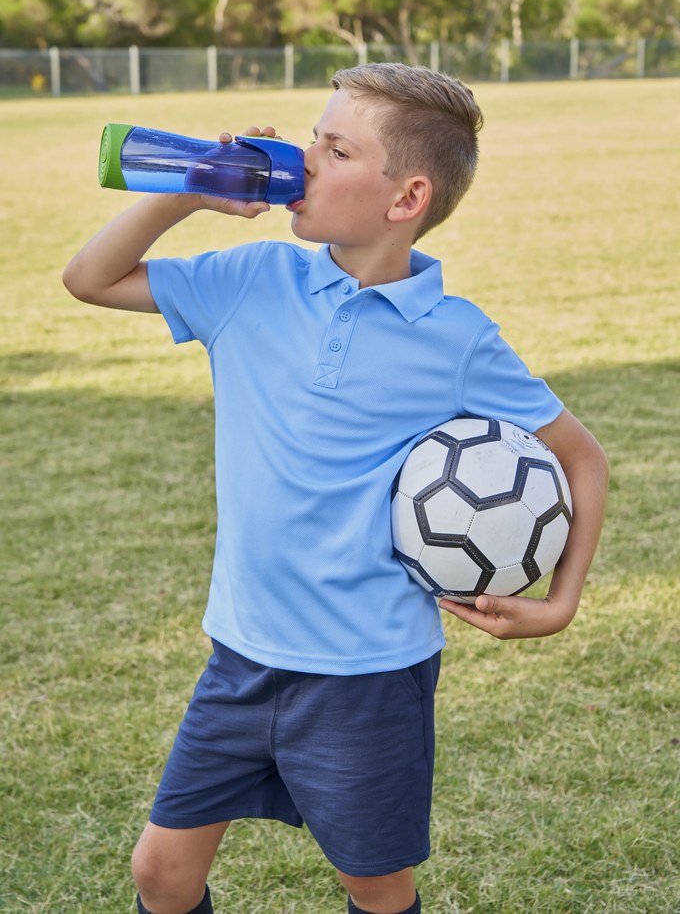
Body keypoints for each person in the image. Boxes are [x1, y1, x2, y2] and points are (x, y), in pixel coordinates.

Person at [62, 63, 608, 914]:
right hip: (241, 657)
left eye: (336, 147)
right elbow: (89, 277)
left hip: (369, 675)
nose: (304, 158)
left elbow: (583, 459)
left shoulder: (457, 338)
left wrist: (562, 600)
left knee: (375, 886)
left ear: (405, 199)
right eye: (312, 137)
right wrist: (193, 190)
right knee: (160, 874)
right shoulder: (252, 282)